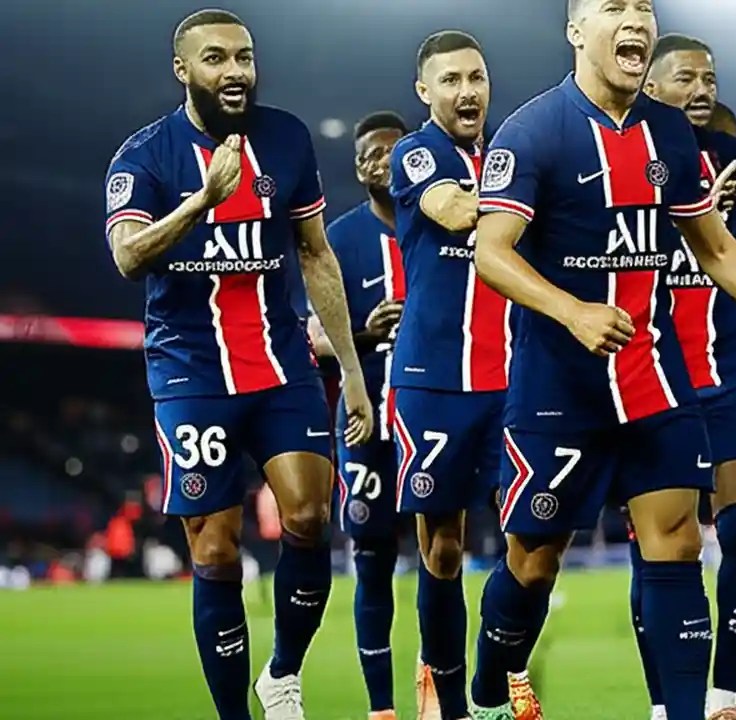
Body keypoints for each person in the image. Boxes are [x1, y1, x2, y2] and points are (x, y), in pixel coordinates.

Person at [467, 1, 736, 718]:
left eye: (644, 8)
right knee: (533, 559)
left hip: (654, 377)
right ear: (576, 30)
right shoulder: (534, 131)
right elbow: (490, 252)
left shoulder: (672, 135)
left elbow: (715, 250)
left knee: (677, 545)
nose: (636, 21)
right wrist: (574, 310)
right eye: (614, 7)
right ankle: (491, 688)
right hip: (560, 389)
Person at [103, 9, 374, 720]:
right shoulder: (144, 156)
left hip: (280, 361)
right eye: (216, 59)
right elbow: (129, 256)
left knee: (313, 517)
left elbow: (315, 255)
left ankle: (282, 672)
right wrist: (203, 200)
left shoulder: (285, 138)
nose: (235, 72)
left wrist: (349, 368)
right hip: (191, 372)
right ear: (182, 70)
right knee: (218, 552)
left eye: (244, 58)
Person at [634, 33, 736, 720]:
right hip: (654, 375)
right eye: (685, 78)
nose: (701, 90)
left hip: (730, 368)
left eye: (709, 78)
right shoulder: (621, 153)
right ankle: (665, 702)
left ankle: (724, 695)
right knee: (663, 548)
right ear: (649, 86)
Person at [388, 31, 510, 720]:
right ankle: (452, 702)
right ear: (425, 91)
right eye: (452, 80)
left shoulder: (511, 152)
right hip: (435, 378)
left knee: (533, 543)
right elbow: (455, 211)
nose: (467, 91)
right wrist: (535, 202)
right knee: (442, 546)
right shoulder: (416, 152)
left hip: (516, 379)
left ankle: (499, 680)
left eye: (477, 77)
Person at [308, 110, 409, 720]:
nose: (381, 161)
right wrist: (363, 337)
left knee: (448, 551)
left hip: (441, 414)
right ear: (357, 166)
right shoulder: (337, 241)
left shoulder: (448, 225)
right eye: (369, 153)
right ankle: (381, 708)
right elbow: (308, 336)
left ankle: (455, 691)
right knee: (372, 559)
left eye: (392, 150)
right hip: (366, 418)